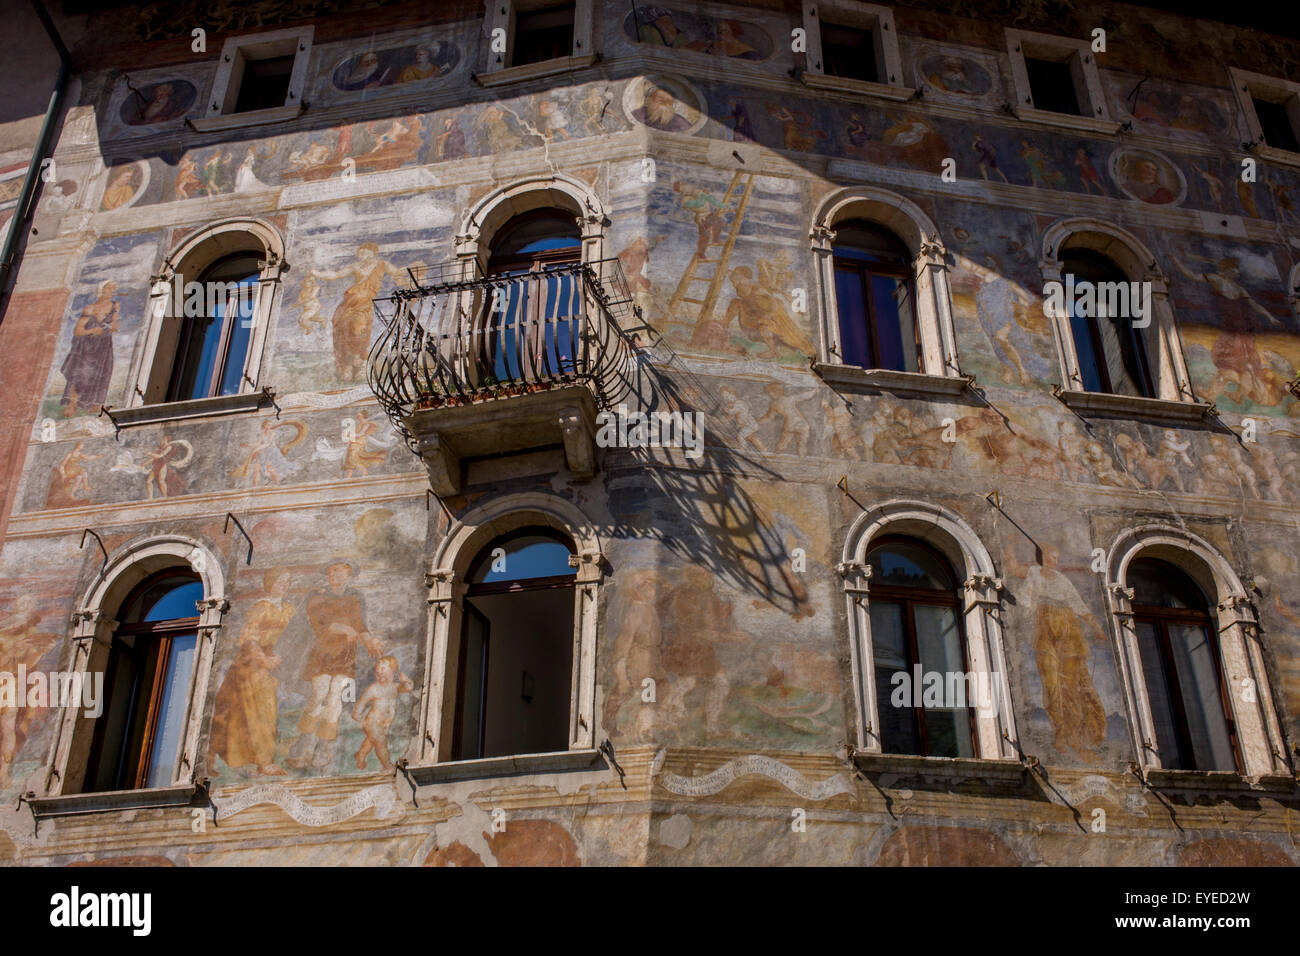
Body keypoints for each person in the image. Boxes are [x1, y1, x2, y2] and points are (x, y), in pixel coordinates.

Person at [287, 562, 383, 770]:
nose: (335, 576)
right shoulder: (318, 596)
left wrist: (371, 641)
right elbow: (320, 624)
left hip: (347, 656)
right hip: (324, 653)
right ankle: (304, 739)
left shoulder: (355, 597)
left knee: (336, 699)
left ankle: (323, 745)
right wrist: (345, 628)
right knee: (320, 693)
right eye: (332, 572)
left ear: (349, 575)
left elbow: (360, 625)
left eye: (340, 572)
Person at [209, 568, 296, 776]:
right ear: (271, 583)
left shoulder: (290, 608)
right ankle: (263, 762)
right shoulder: (261, 607)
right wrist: (264, 660)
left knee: (264, 710)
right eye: (279, 581)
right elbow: (249, 637)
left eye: (287, 581)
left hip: (276, 661)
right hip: (252, 665)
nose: (283, 586)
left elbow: (295, 633)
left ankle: (261, 759)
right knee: (256, 711)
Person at [60, 281, 119, 415]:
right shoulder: (90, 308)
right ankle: (72, 404)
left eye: (113, 289)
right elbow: (77, 330)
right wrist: (91, 331)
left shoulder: (115, 306)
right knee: (79, 374)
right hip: (86, 346)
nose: (111, 291)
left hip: (103, 346)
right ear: (101, 289)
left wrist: (110, 326)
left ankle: (94, 404)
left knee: (101, 374)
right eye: (109, 288)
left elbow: (114, 326)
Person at [351, 656, 412, 770]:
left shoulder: (395, 687)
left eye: (383, 670)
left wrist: (406, 680)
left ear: (392, 671)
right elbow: (362, 700)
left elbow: (408, 688)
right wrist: (357, 713)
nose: (380, 673)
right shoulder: (374, 688)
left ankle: (360, 755)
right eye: (378, 672)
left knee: (371, 741)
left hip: (384, 723)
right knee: (381, 743)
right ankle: (387, 765)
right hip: (372, 722)